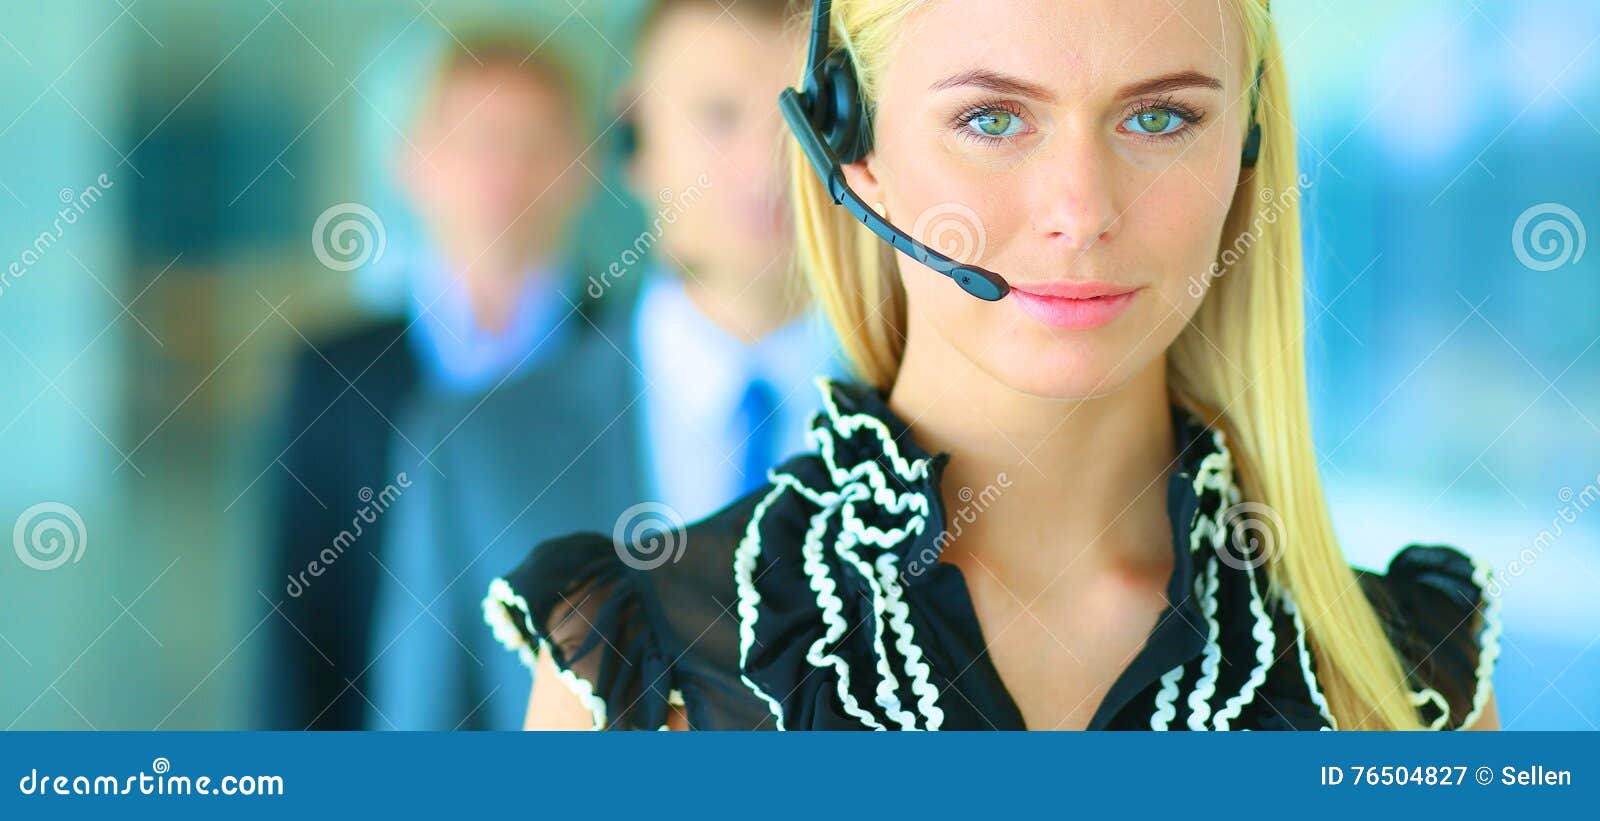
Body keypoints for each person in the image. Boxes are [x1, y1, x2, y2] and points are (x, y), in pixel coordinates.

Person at [483, 0, 1504, 731]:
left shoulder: (1408, 677)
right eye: (992, 119)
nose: (1081, 210)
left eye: (1160, 117)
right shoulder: (639, 656)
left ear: (1244, 143)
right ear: (852, 146)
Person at [366, 0, 837, 730]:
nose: (767, 164)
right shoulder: (473, 445)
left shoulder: (948, 433)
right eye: (718, 115)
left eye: (806, 114)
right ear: (635, 131)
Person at [259, 33, 588, 730]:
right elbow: (295, 634)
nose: (505, 172)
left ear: (582, 168)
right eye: (477, 142)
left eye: (535, 142)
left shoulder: (638, 358)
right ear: (411, 162)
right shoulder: (329, 378)